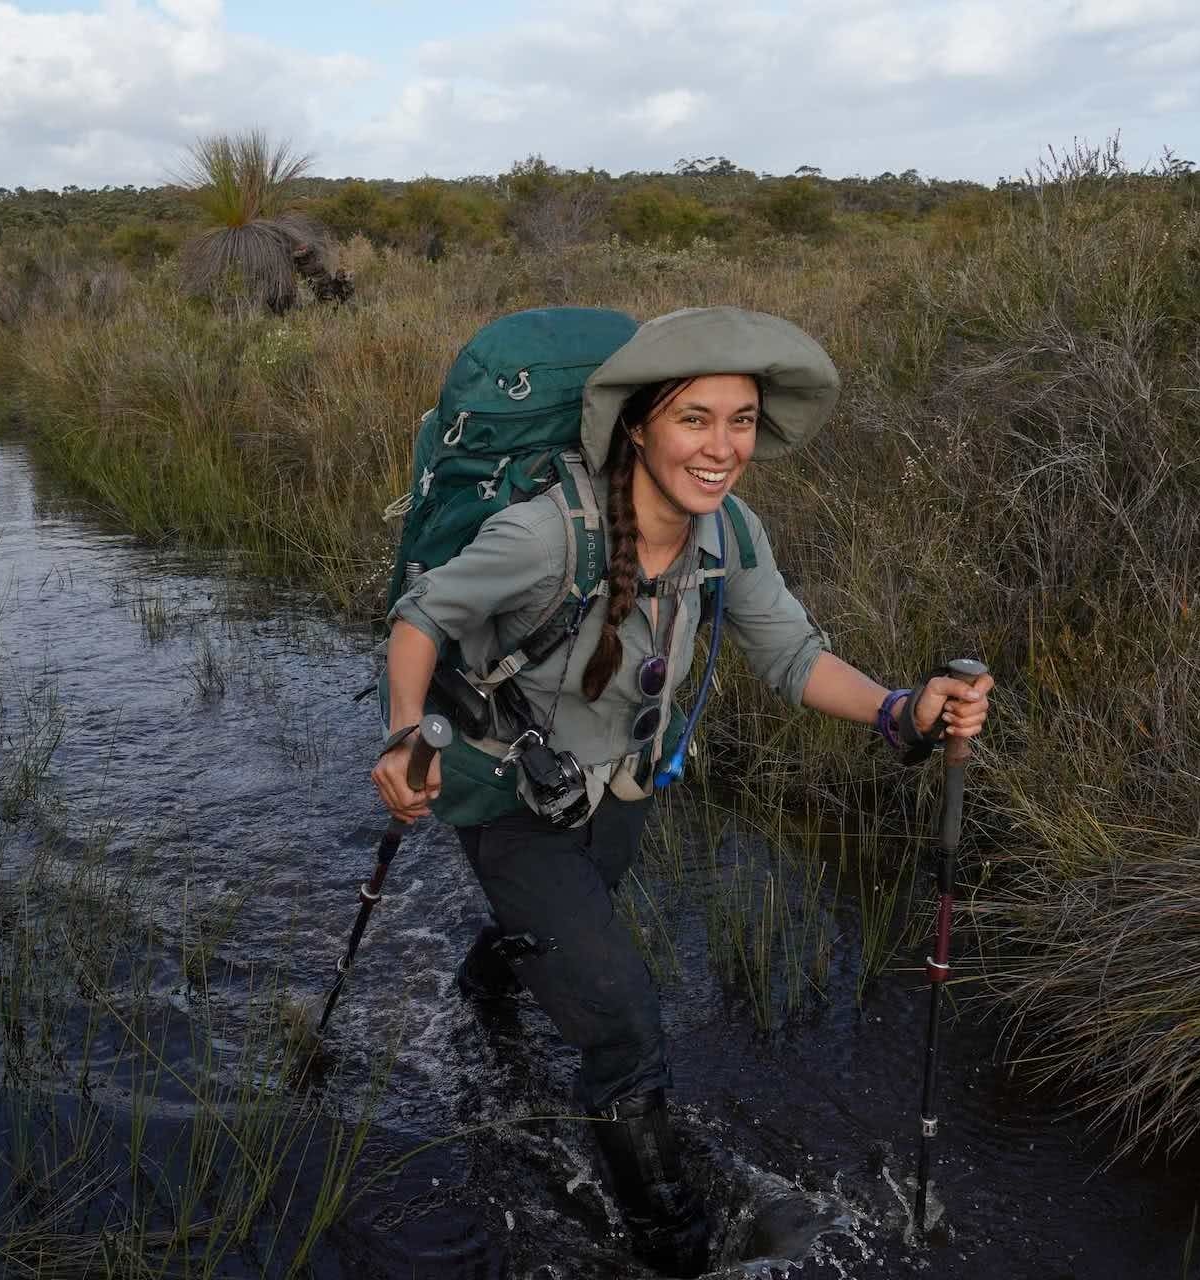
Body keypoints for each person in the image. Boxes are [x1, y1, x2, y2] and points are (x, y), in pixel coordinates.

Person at [370, 306, 994, 1277]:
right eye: (695, 418)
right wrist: (408, 731)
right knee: (623, 1021)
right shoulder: (546, 533)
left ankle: (487, 983)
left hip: (619, 791)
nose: (722, 445)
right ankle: (675, 1242)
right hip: (507, 797)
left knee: (575, 930)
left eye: (740, 419)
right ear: (639, 427)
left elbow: (794, 656)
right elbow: (423, 614)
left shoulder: (728, 533)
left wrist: (904, 709)